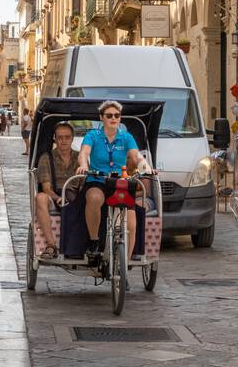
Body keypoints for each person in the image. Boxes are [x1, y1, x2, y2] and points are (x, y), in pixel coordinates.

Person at [77, 100, 154, 265]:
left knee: (131, 224)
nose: (113, 118)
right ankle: (94, 241)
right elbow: (84, 152)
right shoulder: (93, 135)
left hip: (119, 183)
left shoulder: (126, 137)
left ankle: (124, 266)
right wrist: (84, 165)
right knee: (94, 198)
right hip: (97, 179)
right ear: (101, 118)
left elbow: (136, 156)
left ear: (120, 118)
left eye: (117, 115)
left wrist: (146, 168)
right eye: (109, 115)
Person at [33, 122, 81, 260]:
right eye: (60, 137)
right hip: (54, 195)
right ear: (55, 138)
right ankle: (51, 245)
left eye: (67, 137)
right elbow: (47, 188)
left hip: (75, 196)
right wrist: (57, 198)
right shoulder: (46, 158)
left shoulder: (80, 158)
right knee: (40, 198)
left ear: (72, 138)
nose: (63, 141)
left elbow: (84, 184)